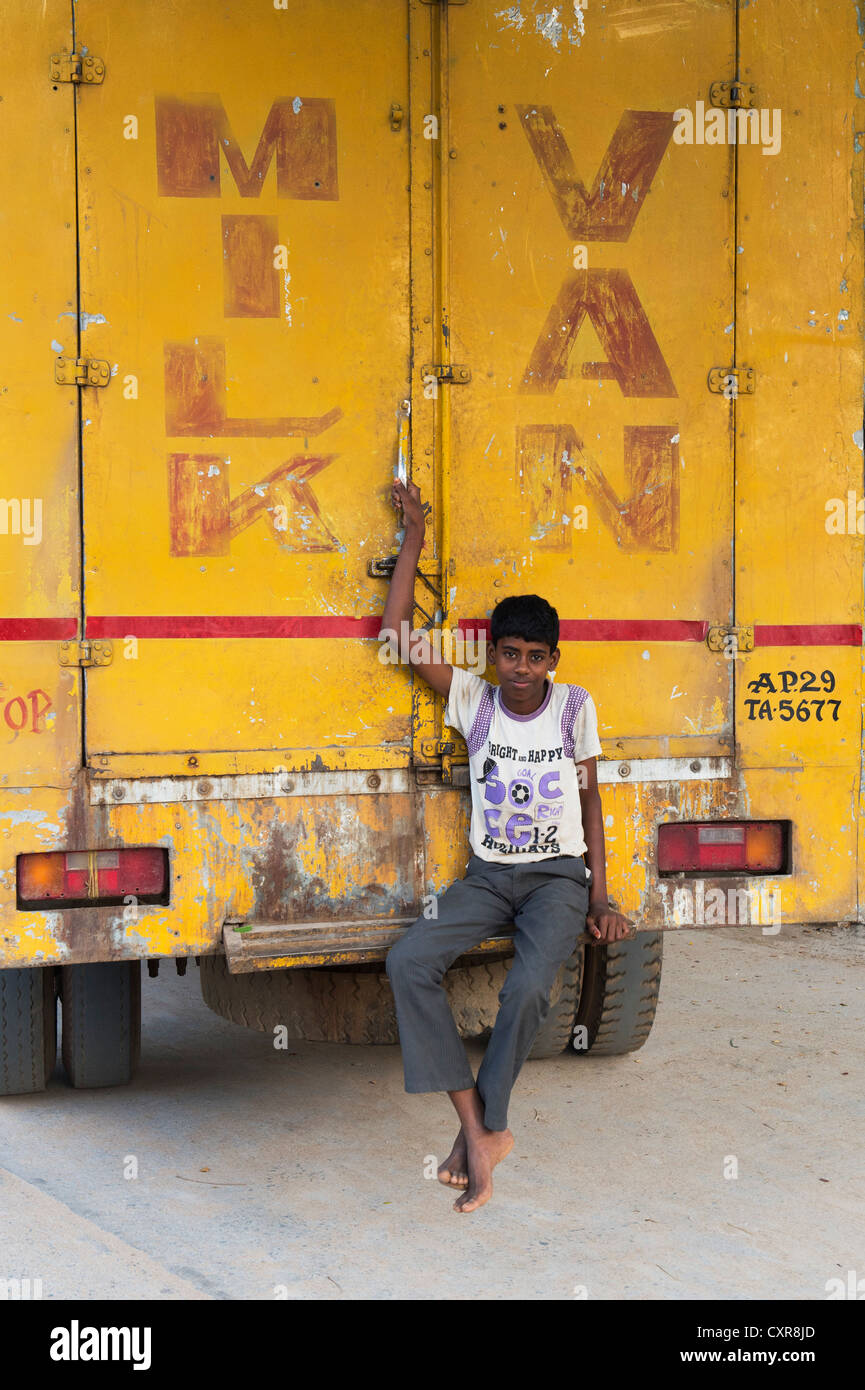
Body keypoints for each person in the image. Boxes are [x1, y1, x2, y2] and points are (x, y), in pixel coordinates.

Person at [379, 478, 632, 1213]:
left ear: (554, 660)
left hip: (556, 879)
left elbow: (589, 799)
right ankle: (478, 1129)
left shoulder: (575, 707)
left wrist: (599, 895)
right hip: (489, 877)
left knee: (525, 989)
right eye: (508, 655)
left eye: (533, 658)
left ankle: (481, 1134)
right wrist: (415, 537)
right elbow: (396, 633)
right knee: (408, 960)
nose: (518, 670)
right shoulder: (473, 699)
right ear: (492, 655)